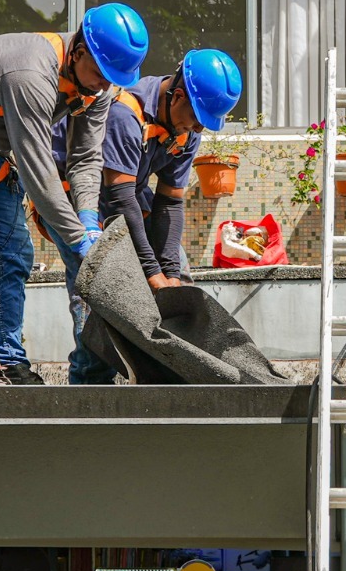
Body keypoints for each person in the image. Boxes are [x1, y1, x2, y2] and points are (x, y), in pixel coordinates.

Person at [0, 4, 149, 386]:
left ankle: (8, 361)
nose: (103, 86)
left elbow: (85, 159)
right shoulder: (30, 71)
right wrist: (76, 239)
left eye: (112, 79)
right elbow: (37, 169)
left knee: (15, 252)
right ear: (79, 49)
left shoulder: (99, 87)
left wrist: (88, 219)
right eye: (99, 74)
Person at [50, 48, 243, 385]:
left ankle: (175, 373)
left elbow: (169, 202)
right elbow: (120, 199)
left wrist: (170, 275)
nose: (199, 128)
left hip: (127, 194)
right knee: (97, 290)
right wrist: (153, 274)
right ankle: (88, 386)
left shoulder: (187, 130)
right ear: (177, 95)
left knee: (179, 273)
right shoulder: (127, 114)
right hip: (81, 198)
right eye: (197, 117)